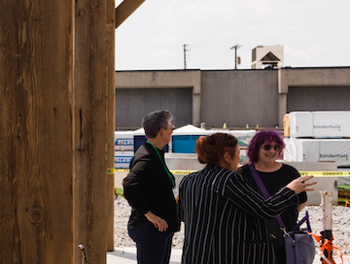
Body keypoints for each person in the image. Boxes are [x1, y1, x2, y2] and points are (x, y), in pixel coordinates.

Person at [178, 132, 315, 264]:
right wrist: (290, 190)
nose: (239, 158)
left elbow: (182, 215)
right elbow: (266, 209)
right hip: (226, 256)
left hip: (195, 255)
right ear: (227, 157)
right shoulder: (229, 179)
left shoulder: (189, 180)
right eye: (238, 154)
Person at [239, 130, 309, 264]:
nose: (272, 151)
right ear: (256, 148)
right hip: (252, 242)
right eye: (267, 147)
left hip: (284, 240)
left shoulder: (290, 173)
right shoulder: (244, 174)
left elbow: (301, 203)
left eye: (276, 147)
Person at [122, 110, 179, 264]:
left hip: (159, 229)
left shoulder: (154, 154)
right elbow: (129, 184)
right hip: (150, 229)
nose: (172, 131)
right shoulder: (147, 156)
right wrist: (149, 214)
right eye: (170, 128)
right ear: (162, 132)